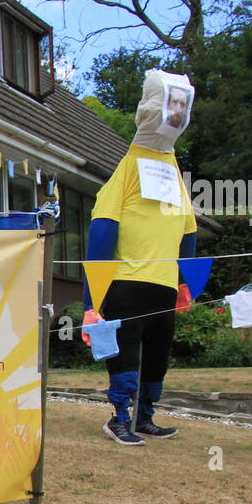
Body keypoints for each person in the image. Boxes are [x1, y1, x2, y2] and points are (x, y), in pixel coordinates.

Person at [82, 70, 198, 445]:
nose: (176, 111)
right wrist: (92, 300)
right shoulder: (128, 171)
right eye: (171, 102)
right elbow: (103, 228)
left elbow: (188, 230)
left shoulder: (174, 176)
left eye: (183, 103)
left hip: (163, 285)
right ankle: (119, 416)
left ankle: (145, 416)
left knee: (158, 354)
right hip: (126, 283)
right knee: (126, 350)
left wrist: (185, 284)